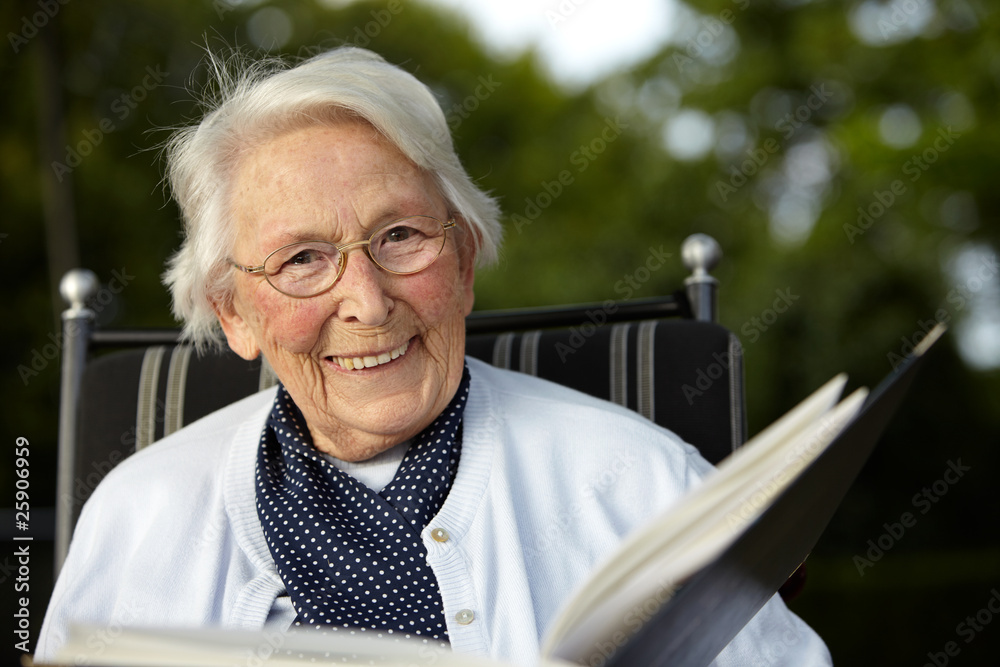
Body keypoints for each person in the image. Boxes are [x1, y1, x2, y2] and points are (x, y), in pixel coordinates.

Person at [37, 46, 831, 665]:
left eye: (400, 236)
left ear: (465, 260)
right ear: (234, 313)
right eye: (303, 259)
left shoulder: (643, 481)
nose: (368, 300)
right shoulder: (137, 516)